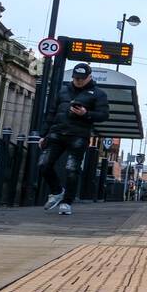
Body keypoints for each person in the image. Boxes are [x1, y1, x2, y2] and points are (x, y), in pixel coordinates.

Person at [38, 63, 110, 216]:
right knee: (43, 165)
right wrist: (43, 135)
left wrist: (86, 113)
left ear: (89, 77)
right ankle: (57, 192)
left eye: (81, 78)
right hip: (57, 133)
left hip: (78, 135)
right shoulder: (63, 91)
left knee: (72, 169)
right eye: (76, 78)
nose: (78, 81)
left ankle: (67, 202)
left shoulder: (98, 94)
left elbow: (104, 115)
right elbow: (51, 113)